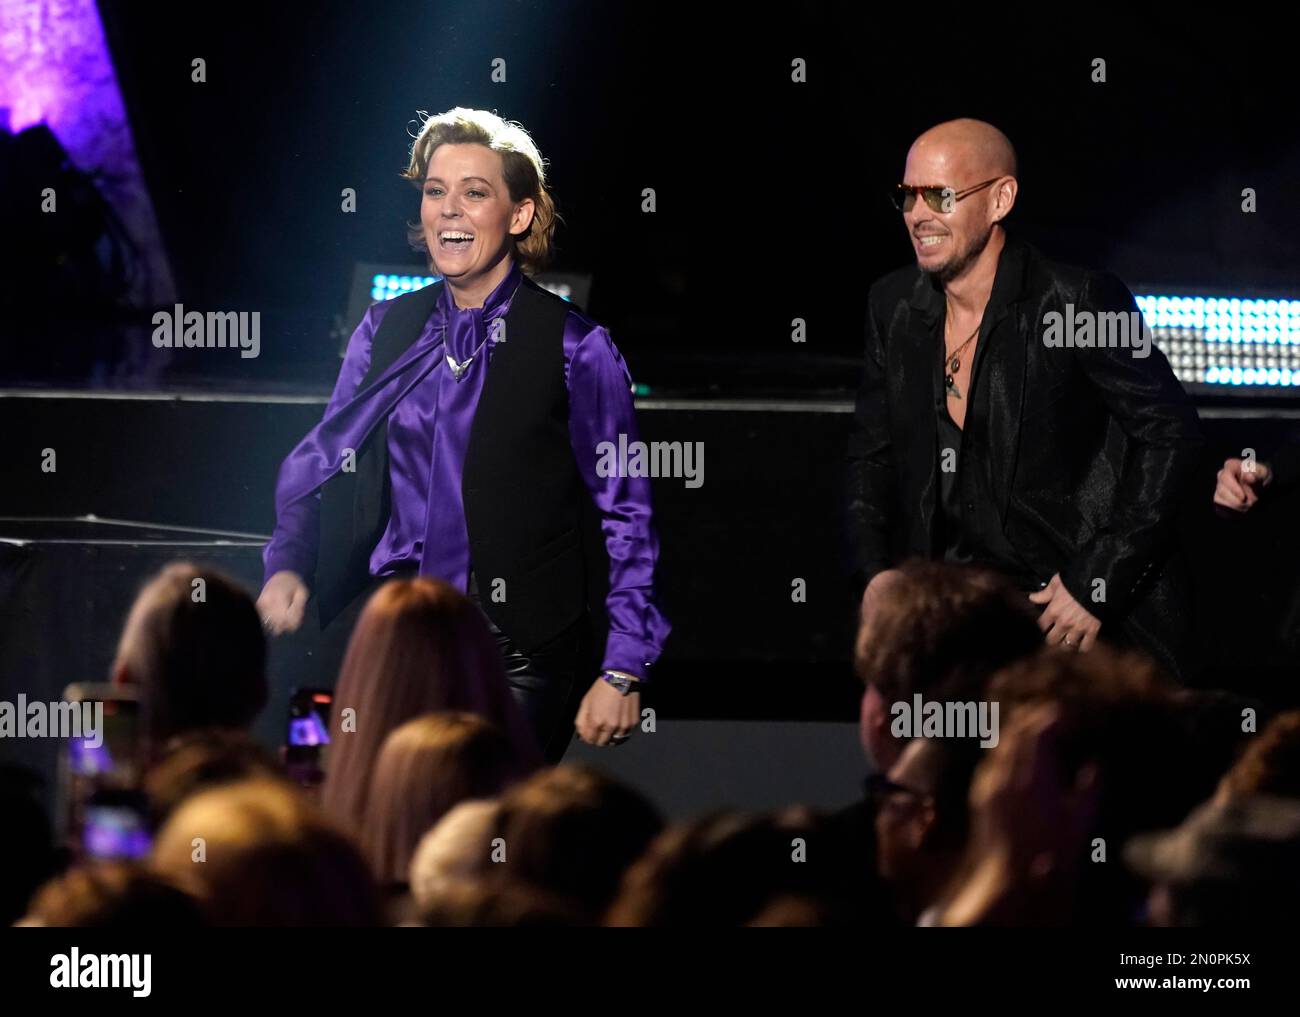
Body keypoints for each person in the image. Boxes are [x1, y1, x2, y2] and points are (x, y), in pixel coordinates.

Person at [257, 107, 669, 759]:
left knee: (485, 842)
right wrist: (287, 562)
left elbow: (627, 515)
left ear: (519, 214)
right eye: (435, 192)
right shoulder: (384, 330)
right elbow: (324, 459)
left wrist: (623, 666)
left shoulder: (576, 346)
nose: (449, 210)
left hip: (518, 649)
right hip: (395, 631)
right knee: (383, 833)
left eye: (474, 193)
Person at [846, 118, 1203, 681]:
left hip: (1063, 616)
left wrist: (1097, 580)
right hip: (955, 618)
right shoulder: (891, 305)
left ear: (1000, 199)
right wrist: (876, 574)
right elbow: (872, 455)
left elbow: (1172, 433)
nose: (918, 215)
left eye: (939, 195)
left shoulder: (1078, 300)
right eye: (906, 196)